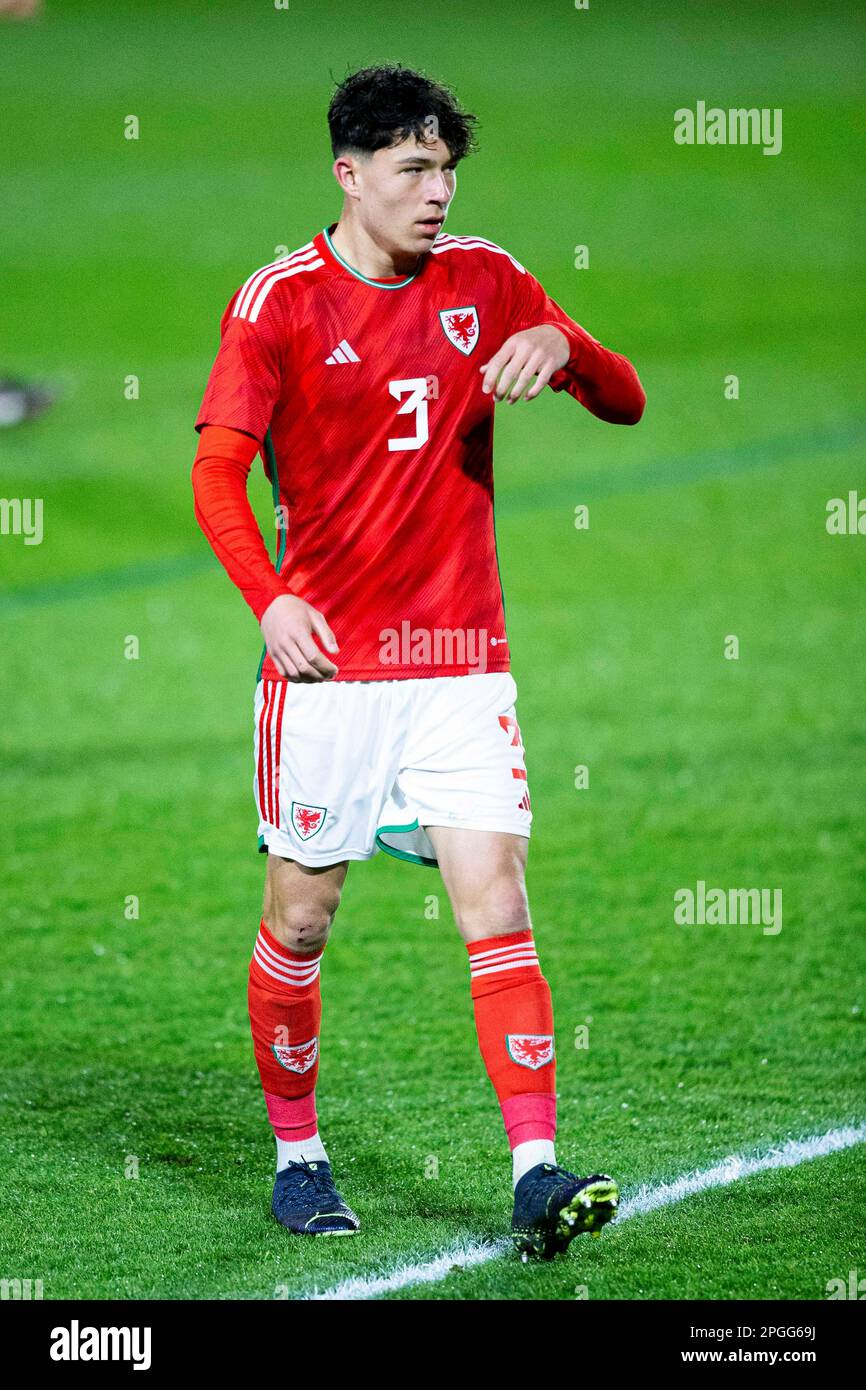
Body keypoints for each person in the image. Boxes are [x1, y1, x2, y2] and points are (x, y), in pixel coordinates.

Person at [191, 64, 645, 1261]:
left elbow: (626, 397)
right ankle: (298, 1157)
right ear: (348, 175)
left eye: (446, 168)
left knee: (495, 902)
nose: (436, 191)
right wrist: (269, 597)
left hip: (459, 664)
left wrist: (560, 341)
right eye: (411, 170)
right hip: (329, 675)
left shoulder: (487, 282)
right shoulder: (278, 302)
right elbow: (215, 474)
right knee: (301, 917)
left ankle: (535, 1171)